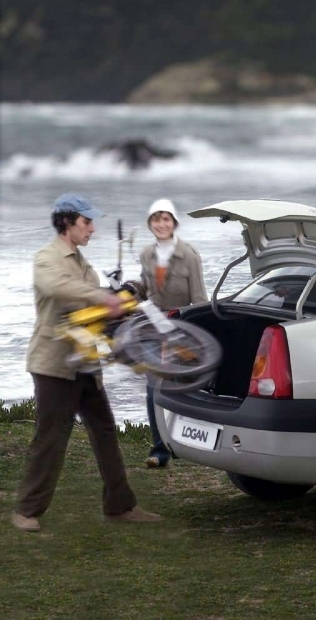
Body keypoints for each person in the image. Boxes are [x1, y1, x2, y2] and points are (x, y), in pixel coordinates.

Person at [11, 193, 162, 532]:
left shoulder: (84, 264)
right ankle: (27, 510)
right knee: (51, 436)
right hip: (54, 364)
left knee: (105, 431)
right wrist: (104, 297)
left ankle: (120, 507)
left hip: (86, 362)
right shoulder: (47, 259)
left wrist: (125, 299)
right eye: (87, 222)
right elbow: (61, 290)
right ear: (67, 222)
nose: (93, 228)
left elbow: (95, 312)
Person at [139, 198, 207, 468]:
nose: (161, 224)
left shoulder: (189, 255)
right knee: (153, 389)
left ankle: (189, 443)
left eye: (166, 219)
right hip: (153, 327)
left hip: (181, 327)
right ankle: (159, 451)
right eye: (156, 219)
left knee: (182, 387)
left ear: (174, 223)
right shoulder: (146, 255)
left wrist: (198, 336)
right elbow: (144, 293)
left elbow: (199, 298)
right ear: (150, 224)